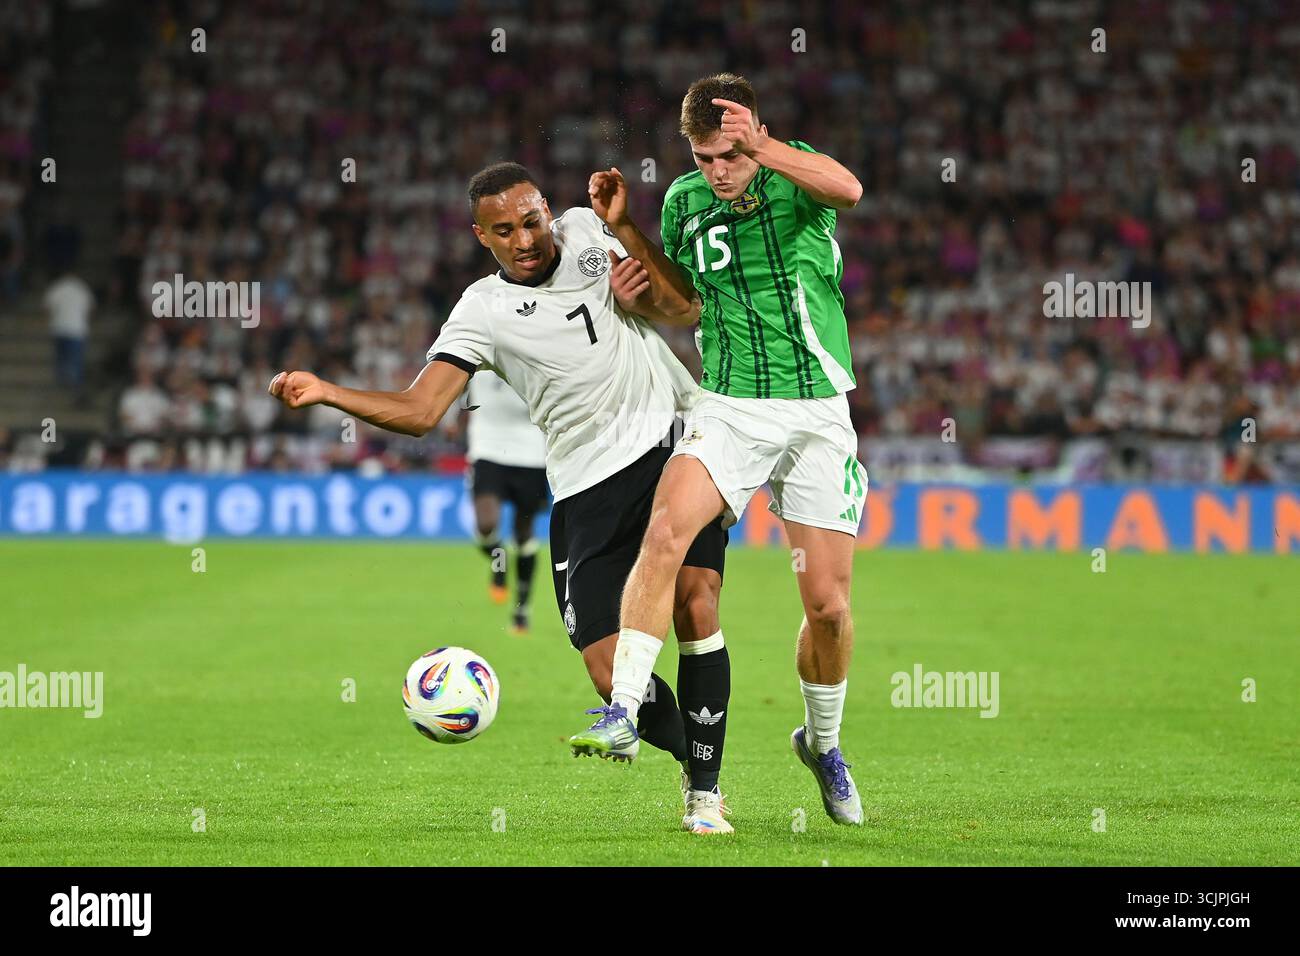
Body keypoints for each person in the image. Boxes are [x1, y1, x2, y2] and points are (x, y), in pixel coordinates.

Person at [269, 162, 733, 834]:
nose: (525, 238)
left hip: (672, 444)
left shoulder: (588, 230)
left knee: (697, 605)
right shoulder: (481, 310)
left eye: (532, 220)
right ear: (482, 236)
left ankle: (706, 795)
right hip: (584, 483)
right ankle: (688, 756)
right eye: (506, 230)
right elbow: (422, 409)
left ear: (549, 210)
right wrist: (329, 392)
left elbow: (681, 307)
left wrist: (632, 255)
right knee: (608, 671)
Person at [568, 73, 868, 826]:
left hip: (816, 410)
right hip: (729, 405)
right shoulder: (682, 202)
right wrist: (629, 237)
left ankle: (822, 744)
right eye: (704, 158)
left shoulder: (791, 171)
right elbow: (684, 303)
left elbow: (851, 190)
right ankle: (624, 711)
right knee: (666, 531)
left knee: (828, 607)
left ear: (754, 135)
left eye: (729, 155)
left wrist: (765, 147)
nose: (718, 171)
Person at [462, 370, 549, 633]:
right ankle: (499, 561)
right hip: (487, 447)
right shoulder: (479, 342)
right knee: (486, 525)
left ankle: (522, 609)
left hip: (531, 450)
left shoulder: (535, 346)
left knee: (524, 535)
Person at [45, 267, 94, 399]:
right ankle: (76, 386)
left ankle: (63, 382)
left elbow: (48, 308)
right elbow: (89, 309)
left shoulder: (57, 287)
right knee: (76, 360)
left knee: (61, 358)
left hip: (60, 328)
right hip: (76, 330)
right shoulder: (81, 288)